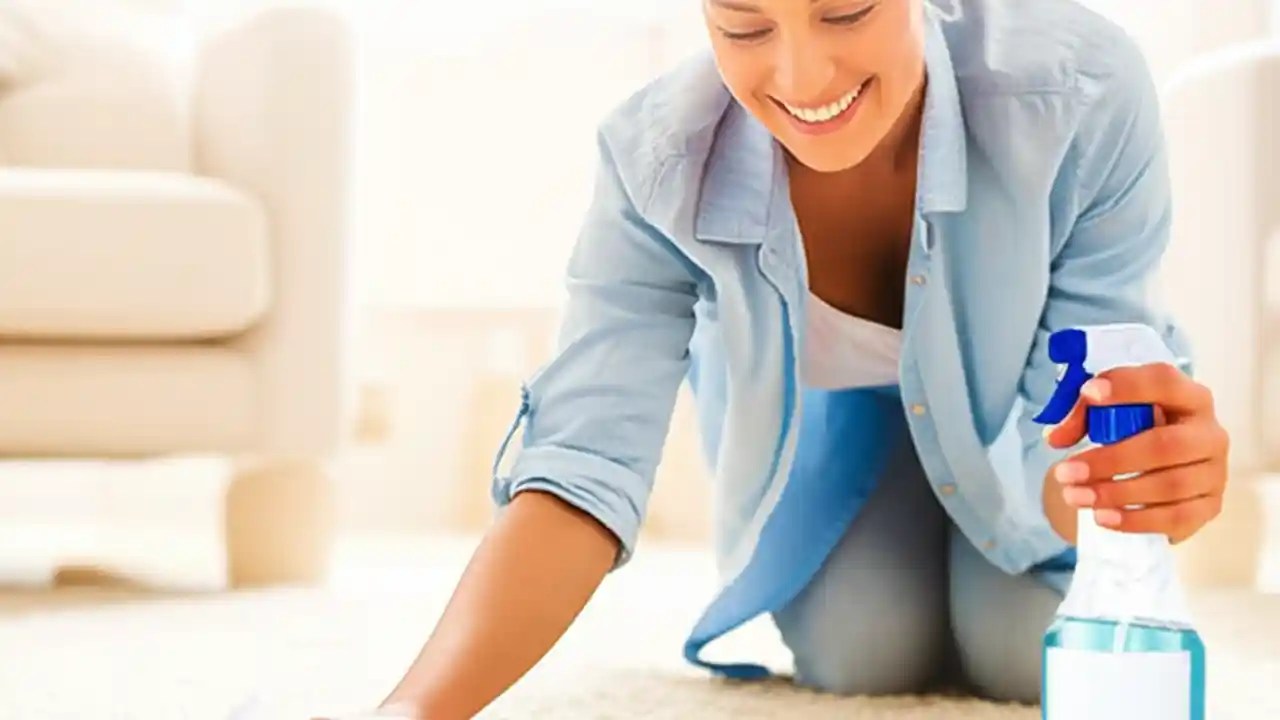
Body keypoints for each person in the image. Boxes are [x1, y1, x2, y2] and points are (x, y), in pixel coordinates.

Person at [359, 0, 1232, 717]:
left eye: (846, 11)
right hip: (832, 455)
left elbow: (1076, 417)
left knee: (1023, 651)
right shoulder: (657, 163)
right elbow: (584, 465)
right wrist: (410, 714)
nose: (803, 76)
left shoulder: (1081, 89)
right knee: (863, 653)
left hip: (1020, 438)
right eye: (744, 26)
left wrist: (1130, 481)